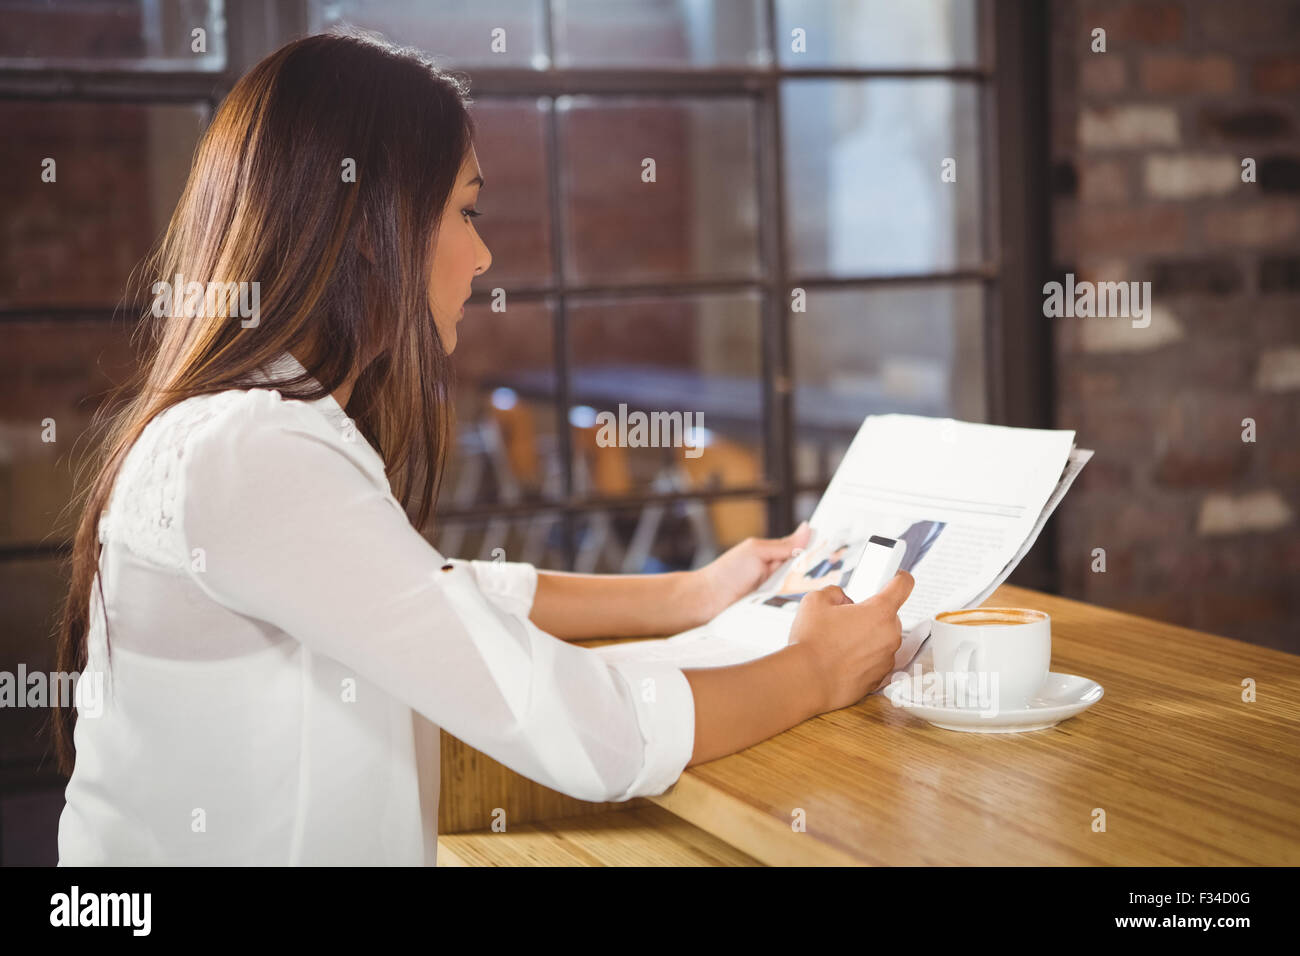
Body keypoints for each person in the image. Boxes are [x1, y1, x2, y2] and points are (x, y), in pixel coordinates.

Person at [51, 30, 914, 865]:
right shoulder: (253, 450)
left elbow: (435, 598)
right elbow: (577, 727)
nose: (484, 253)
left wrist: (688, 594)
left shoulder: (241, 429)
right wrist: (814, 670)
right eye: (466, 210)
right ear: (367, 225)